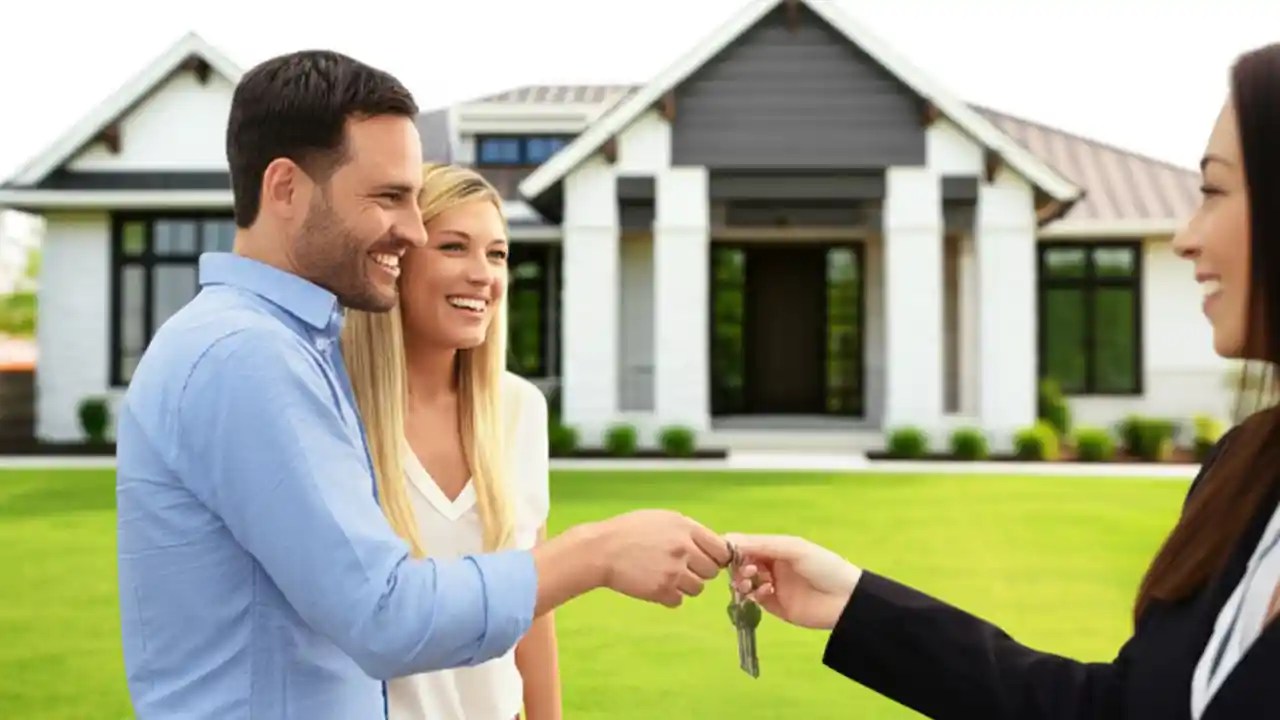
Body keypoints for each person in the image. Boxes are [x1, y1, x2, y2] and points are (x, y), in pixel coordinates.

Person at [115, 49, 730, 720]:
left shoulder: (284, 351)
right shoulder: (247, 356)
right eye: (388, 198)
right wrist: (598, 552)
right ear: (286, 189)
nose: (411, 231)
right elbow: (384, 614)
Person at [727, 42, 1280, 720]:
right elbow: (1117, 711)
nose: (1185, 237)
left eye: (1214, 191)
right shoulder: (1247, 475)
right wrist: (852, 604)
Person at [339, 163, 561, 719]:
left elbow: (533, 606)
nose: (483, 275)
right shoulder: (331, 407)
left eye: (497, 254)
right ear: (398, 259)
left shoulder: (520, 410)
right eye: (454, 247)